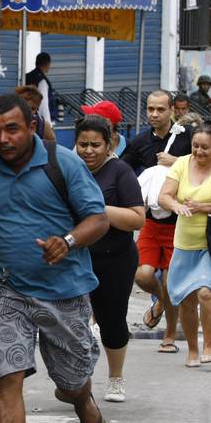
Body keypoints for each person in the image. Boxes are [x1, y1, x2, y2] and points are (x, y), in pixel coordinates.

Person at [0, 94, 110, 423]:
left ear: (31, 127)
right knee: (6, 375)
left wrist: (68, 240)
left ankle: (82, 399)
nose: (2, 139)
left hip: (65, 291)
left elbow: (98, 219)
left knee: (72, 380)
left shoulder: (63, 163)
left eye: (12, 129)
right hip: (9, 288)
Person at [157, 124, 211, 367]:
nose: (199, 152)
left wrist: (205, 207)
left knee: (205, 291)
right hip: (185, 244)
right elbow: (164, 196)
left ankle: (208, 345)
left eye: (205, 147)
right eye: (195, 146)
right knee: (186, 298)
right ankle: (192, 349)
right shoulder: (182, 164)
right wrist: (176, 206)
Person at [75, 111, 145, 403]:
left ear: (109, 145)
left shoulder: (120, 172)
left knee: (111, 320)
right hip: (76, 258)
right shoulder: (69, 169)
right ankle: (77, 382)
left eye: (96, 145)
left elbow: (137, 218)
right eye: (83, 144)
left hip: (115, 259)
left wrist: (97, 208)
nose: (89, 151)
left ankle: (116, 378)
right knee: (72, 321)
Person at [120, 91, 193, 353]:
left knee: (170, 282)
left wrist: (178, 162)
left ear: (172, 110)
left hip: (180, 222)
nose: (154, 114)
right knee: (142, 275)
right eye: (150, 109)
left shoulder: (188, 137)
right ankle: (161, 301)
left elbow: (209, 163)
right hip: (150, 221)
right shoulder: (140, 142)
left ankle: (169, 336)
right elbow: (122, 169)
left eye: (160, 109)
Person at [23, 52, 54, 125]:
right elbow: (43, 104)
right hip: (38, 121)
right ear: (47, 64)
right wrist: (48, 124)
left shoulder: (26, 76)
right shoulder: (42, 81)